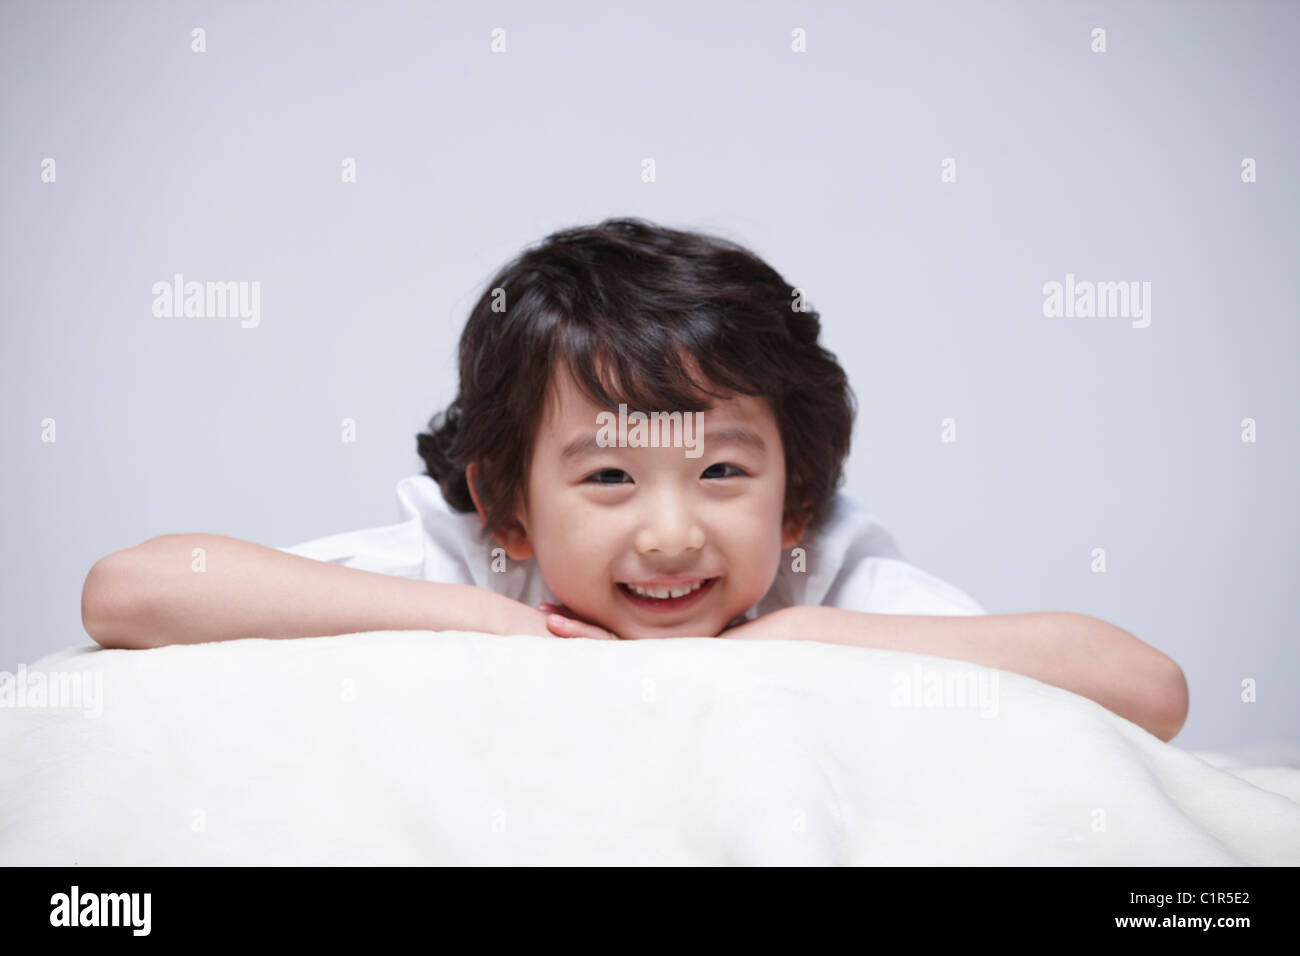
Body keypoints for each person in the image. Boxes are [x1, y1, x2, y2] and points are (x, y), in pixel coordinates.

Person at [80, 217, 1188, 741]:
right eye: (609, 473)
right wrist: (474, 618)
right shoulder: (482, 564)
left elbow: (1145, 686)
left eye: (720, 470)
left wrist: (807, 636)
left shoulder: (815, 574)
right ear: (510, 501)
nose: (670, 534)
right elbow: (129, 591)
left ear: (793, 496)